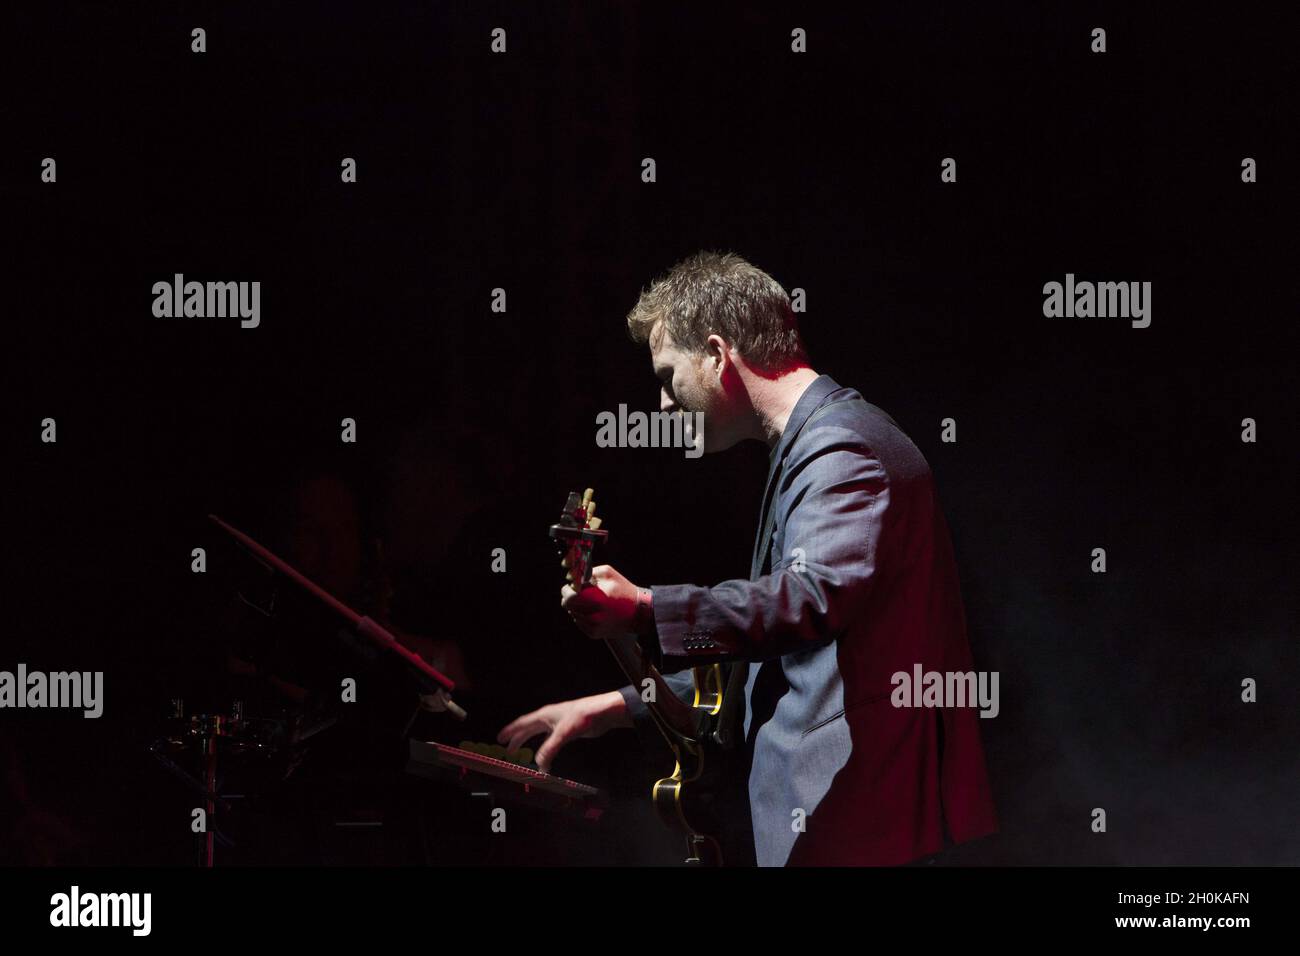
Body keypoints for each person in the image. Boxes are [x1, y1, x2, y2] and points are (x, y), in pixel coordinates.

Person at [500, 251, 998, 865]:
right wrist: (613, 706)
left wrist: (649, 608)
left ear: (716, 354)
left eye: (667, 375)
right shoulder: (816, 444)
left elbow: (808, 601)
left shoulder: (841, 447)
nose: (661, 406)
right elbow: (786, 659)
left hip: (856, 818)